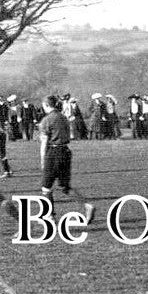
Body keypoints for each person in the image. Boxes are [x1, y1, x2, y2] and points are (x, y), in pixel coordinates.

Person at [38, 94, 96, 223]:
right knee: (65, 186)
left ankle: (50, 215)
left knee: (46, 187)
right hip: (66, 151)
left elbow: (44, 142)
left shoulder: (46, 120)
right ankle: (87, 205)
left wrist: (43, 159)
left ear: (46, 105)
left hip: (53, 152)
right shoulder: (64, 117)